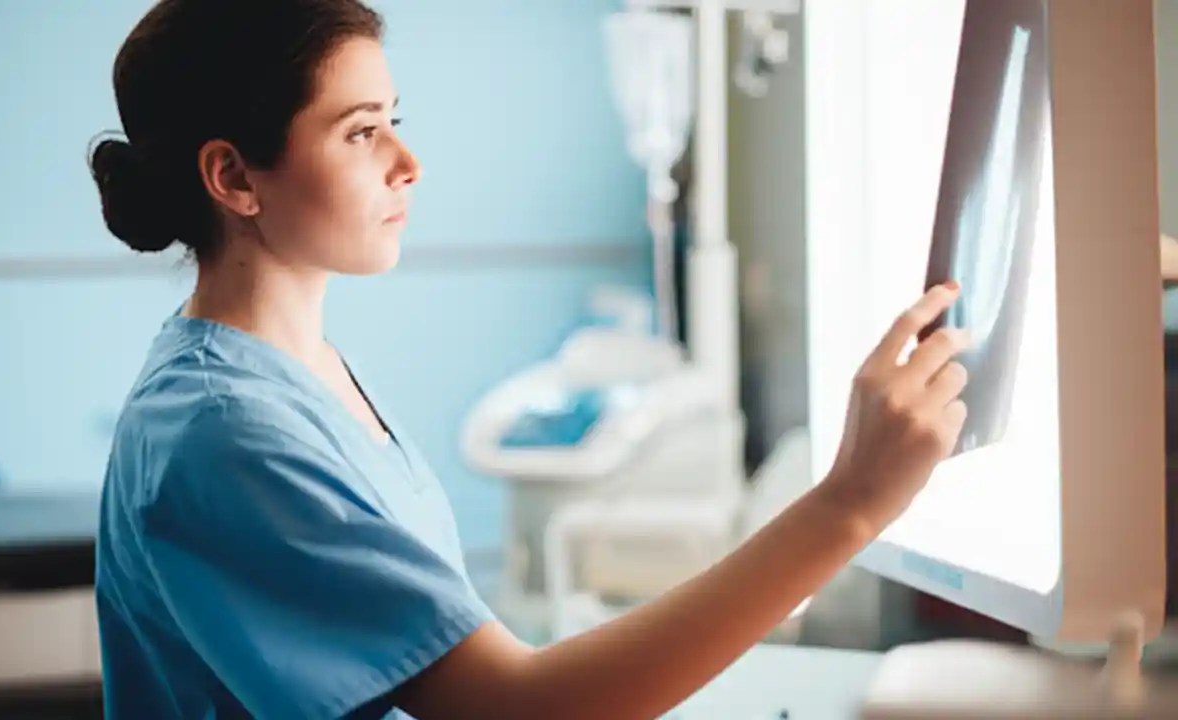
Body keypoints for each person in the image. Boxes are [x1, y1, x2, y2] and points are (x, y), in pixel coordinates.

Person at [90, 1, 970, 718]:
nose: (409, 162)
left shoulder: (291, 370)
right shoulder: (225, 430)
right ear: (236, 178)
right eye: (361, 133)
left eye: (393, 122)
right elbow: (514, 710)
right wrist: (849, 505)